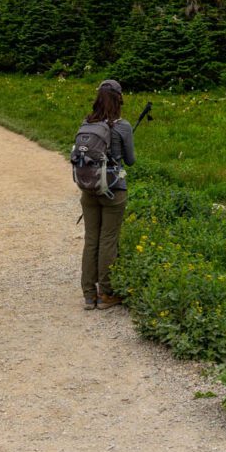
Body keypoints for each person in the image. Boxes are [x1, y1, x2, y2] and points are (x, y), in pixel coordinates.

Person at [78, 78, 135, 310]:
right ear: (119, 99)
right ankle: (107, 294)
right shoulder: (123, 126)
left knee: (92, 238)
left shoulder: (86, 123)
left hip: (88, 188)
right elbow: (130, 161)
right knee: (108, 239)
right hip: (114, 189)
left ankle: (89, 295)